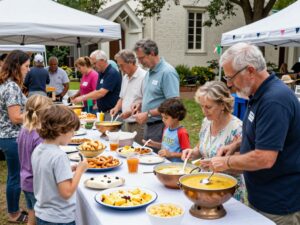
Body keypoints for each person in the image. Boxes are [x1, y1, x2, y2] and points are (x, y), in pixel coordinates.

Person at [210, 43, 300, 225]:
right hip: (261, 196)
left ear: (250, 71)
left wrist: (225, 162)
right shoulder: (258, 94)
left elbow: (265, 158)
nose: (228, 84)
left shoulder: (274, 100)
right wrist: (235, 145)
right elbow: (265, 134)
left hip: (277, 204)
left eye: (230, 78)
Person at [181, 81, 246, 203]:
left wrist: (218, 164)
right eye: (202, 106)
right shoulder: (207, 122)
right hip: (205, 187)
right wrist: (192, 152)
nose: (204, 111)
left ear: (222, 104)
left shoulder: (237, 128)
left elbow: (242, 167)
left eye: (208, 107)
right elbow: (202, 148)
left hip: (228, 193)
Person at [32, 105, 88, 225]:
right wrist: (80, 171)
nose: (73, 134)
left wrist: (67, 170)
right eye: (72, 130)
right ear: (61, 130)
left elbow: (47, 174)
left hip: (42, 214)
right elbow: (66, 193)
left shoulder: (38, 149)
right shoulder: (59, 156)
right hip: (60, 218)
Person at [132, 39, 179, 152]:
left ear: (152, 53)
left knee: (157, 162)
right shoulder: (150, 72)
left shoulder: (167, 72)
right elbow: (152, 96)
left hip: (161, 126)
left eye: (141, 58)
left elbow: (174, 104)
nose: (139, 62)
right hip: (150, 125)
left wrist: (148, 113)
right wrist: (140, 104)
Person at [0, 50, 30, 223]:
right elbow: (16, 117)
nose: (28, 69)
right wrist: (37, 115)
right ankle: (14, 214)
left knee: (14, 175)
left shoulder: (6, 83)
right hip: (12, 138)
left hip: (7, 136)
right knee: (15, 176)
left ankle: (15, 210)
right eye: (26, 66)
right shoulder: (11, 86)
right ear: (17, 66)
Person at [17, 95, 53, 225]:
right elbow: (43, 165)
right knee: (42, 218)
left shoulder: (24, 130)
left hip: (25, 180)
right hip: (37, 184)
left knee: (32, 212)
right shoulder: (40, 137)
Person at [110, 50, 146, 144]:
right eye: (118, 66)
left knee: (137, 150)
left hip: (138, 123)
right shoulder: (125, 77)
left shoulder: (144, 76)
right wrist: (116, 108)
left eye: (121, 65)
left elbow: (146, 101)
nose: (120, 68)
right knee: (126, 148)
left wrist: (130, 112)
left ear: (130, 62)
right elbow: (122, 97)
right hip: (126, 122)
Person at [72, 50, 121, 119]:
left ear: (102, 60)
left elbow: (101, 93)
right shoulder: (101, 73)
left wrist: (82, 97)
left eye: (95, 63)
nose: (93, 66)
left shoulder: (111, 73)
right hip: (102, 111)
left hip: (111, 112)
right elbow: (97, 90)